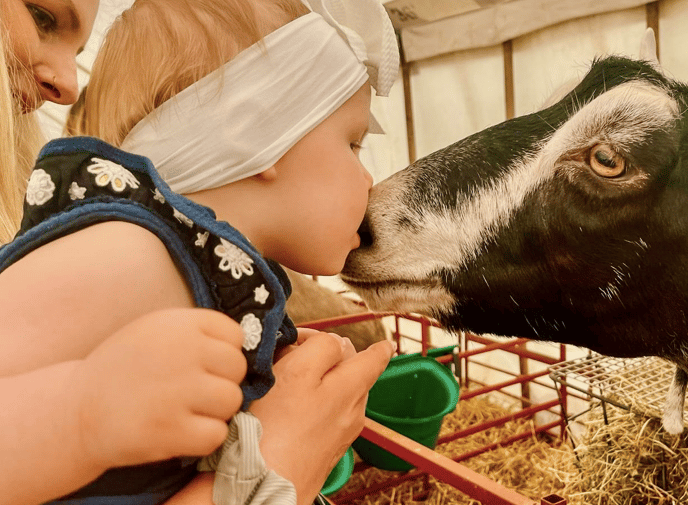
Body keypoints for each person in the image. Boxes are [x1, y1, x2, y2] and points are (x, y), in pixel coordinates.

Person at [0, 0, 398, 504]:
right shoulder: (132, 254)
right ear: (260, 129)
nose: (367, 180)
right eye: (353, 143)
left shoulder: (194, 272)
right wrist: (82, 411)